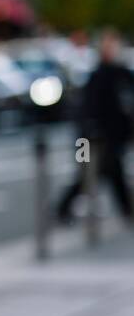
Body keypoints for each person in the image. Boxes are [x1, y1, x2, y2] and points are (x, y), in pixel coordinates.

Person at [56, 29, 134, 226]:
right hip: (92, 139)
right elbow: (89, 110)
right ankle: (62, 210)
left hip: (109, 137)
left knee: (108, 174)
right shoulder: (99, 76)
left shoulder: (121, 74)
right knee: (90, 175)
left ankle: (127, 211)